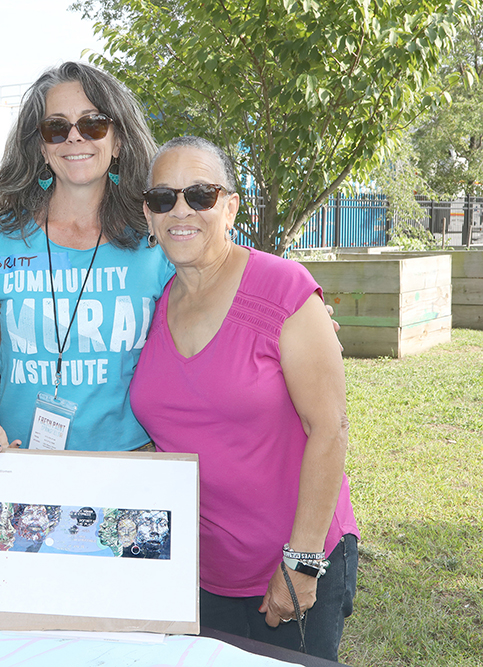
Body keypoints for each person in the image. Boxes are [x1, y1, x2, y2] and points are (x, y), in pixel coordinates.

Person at [128, 136, 359, 661]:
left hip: (292, 564)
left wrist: (301, 564)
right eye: (164, 198)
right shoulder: (157, 301)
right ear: (148, 213)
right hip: (202, 573)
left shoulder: (283, 288)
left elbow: (330, 429)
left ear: (230, 206)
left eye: (200, 195)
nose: (180, 210)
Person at [0, 61, 173, 453]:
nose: (74, 138)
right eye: (56, 128)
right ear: (41, 147)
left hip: (127, 471)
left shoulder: (156, 243)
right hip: (19, 458)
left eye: (93, 124)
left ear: (119, 141)